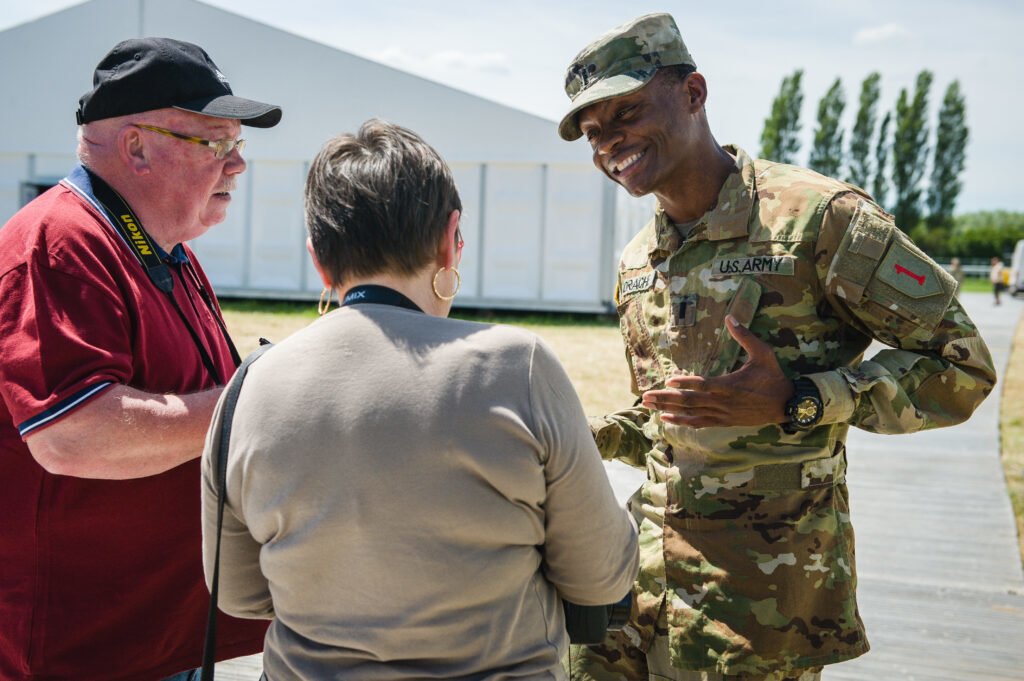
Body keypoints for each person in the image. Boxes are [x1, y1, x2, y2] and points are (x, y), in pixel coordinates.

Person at [557, 13, 996, 681]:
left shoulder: (821, 221)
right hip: (633, 590)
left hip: (755, 611)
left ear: (694, 93)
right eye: (592, 131)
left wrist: (803, 398)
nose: (609, 141)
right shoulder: (639, 259)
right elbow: (669, 420)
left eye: (627, 111)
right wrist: (574, 436)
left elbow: (962, 365)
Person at [200, 119, 639, 680]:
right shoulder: (518, 367)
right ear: (449, 240)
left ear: (319, 259)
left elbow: (237, 592)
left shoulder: (249, 386)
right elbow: (600, 577)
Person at [0, 38, 281, 681]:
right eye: (216, 142)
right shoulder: (60, 245)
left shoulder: (163, 251)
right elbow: (72, 434)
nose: (238, 164)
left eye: (238, 143)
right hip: (83, 653)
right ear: (136, 148)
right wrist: (260, 402)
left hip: (154, 641)